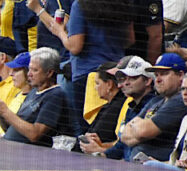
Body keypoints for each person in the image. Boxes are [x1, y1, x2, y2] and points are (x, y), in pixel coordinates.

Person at [30, 0, 128, 133]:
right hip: (115, 71)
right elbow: (130, 40)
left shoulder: (81, 4)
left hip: (87, 76)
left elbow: (75, 47)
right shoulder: (122, 3)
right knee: (108, 127)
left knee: (84, 130)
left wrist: (60, 32)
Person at [0, 46, 75, 148]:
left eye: (35, 70)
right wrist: (0, 112)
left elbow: (35, 135)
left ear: (49, 72)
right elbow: (13, 128)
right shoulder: (33, 92)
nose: (29, 74)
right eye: (29, 69)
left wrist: (5, 111)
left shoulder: (55, 95)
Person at [118, 53, 187, 162]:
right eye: (156, 75)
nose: (158, 79)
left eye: (164, 74)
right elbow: (124, 135)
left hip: (160, 167)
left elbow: (144, 131)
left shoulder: (181, 100)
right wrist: (141, 130)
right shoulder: (156, 101)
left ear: (180, 75)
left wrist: (139, 129)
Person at [76, 61, 127, 152]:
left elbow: (97, 136)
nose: (95, 88)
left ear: (109, 84)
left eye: (97, 83)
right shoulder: (109, 105)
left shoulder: (115, 107)